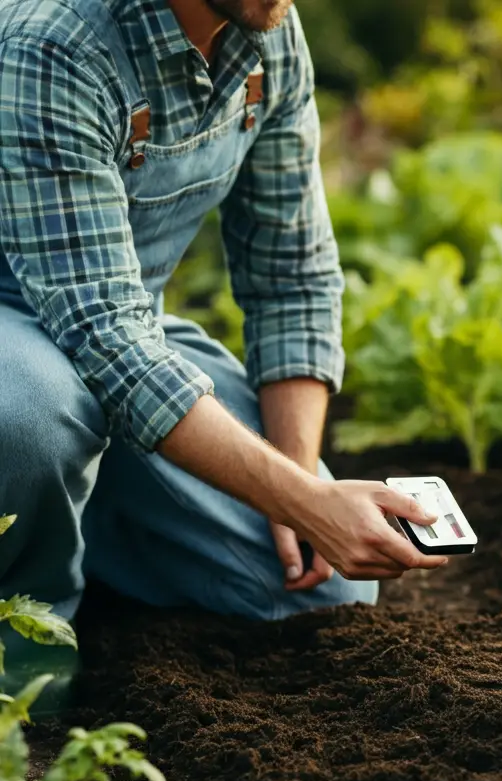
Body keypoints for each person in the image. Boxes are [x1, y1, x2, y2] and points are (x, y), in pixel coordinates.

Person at [0, 0, 448, 670]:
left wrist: (298, 493)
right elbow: (102, 330)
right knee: (28, 417)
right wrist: (301, 499)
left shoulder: (267, 31)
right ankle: (23, 657)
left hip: (121, 328)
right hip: (31, 330)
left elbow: (289, 276)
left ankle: (72, 523)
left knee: (322, 591)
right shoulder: (55, 43)